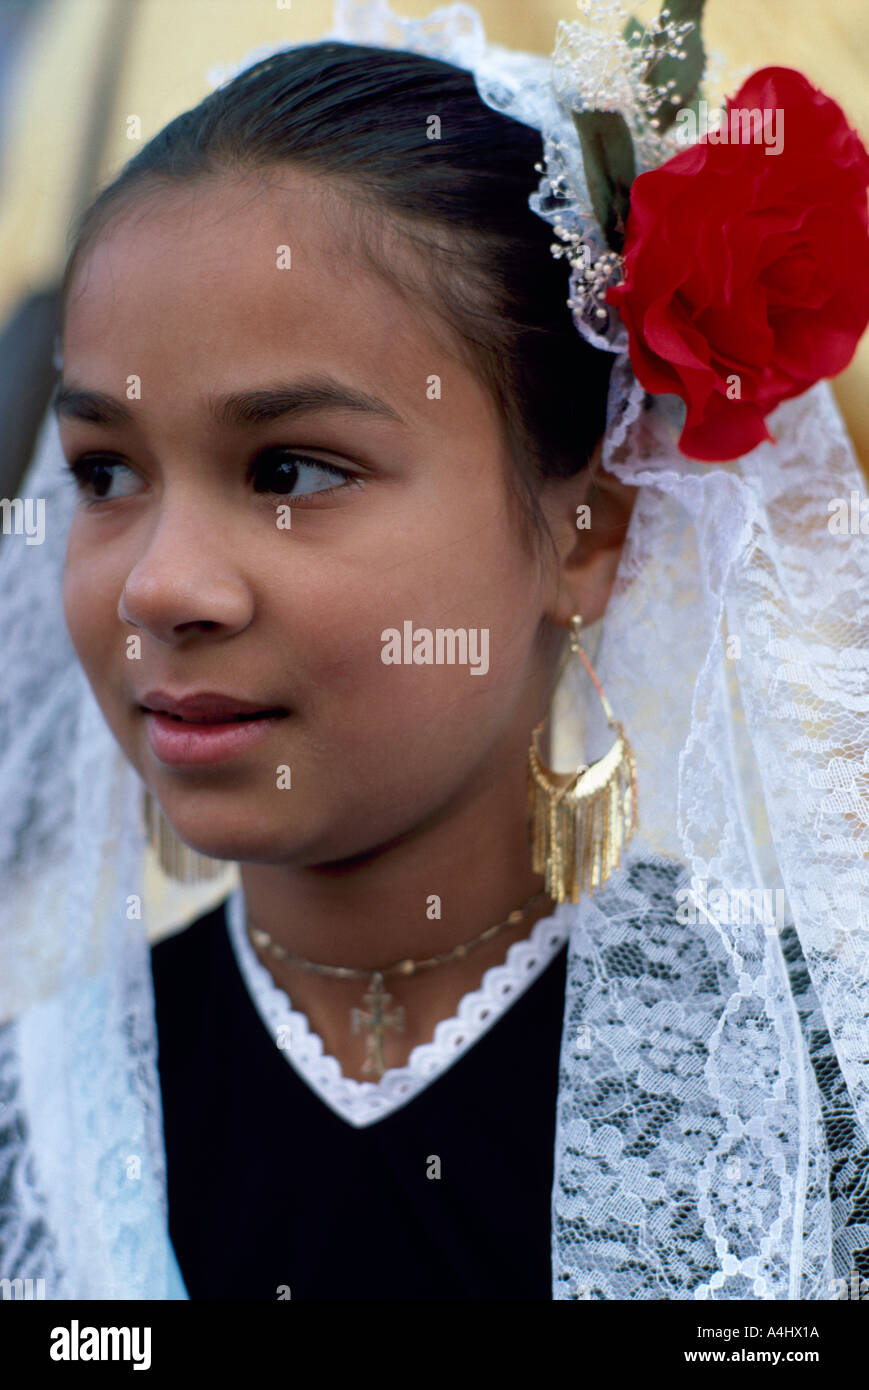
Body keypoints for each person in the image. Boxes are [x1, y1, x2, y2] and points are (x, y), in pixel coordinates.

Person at [1, 0, 868, 1301]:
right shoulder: (42, 1125)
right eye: (106, 471)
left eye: (288, 467)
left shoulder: (802, 1099)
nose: (162, 583)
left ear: (585, 531)